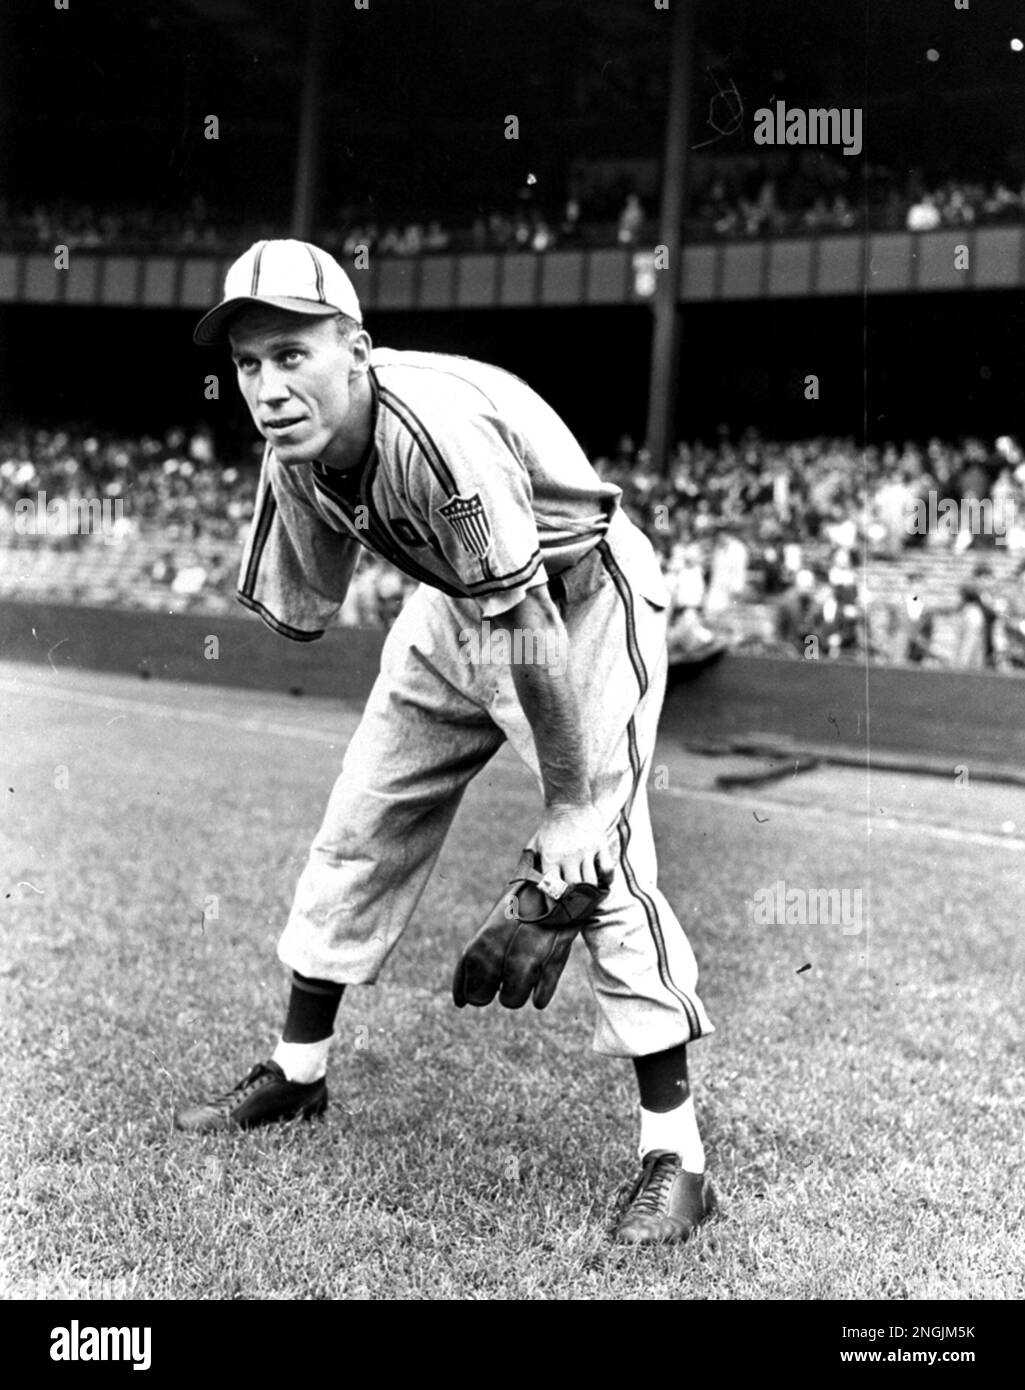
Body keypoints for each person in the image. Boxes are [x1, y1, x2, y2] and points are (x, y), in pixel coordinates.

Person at [176, 240, 716, 1246]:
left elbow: (530, 626)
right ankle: (298, 1076)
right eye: (249, 364)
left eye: (292, 354)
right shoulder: (293, 445)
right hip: (457, 603)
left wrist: (566, 814)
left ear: (357, 351)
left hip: (579, 602)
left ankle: (676, 1154)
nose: (267, 386)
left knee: (602, 860)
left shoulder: (439, 436)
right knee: (359, 822)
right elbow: (308, 600)